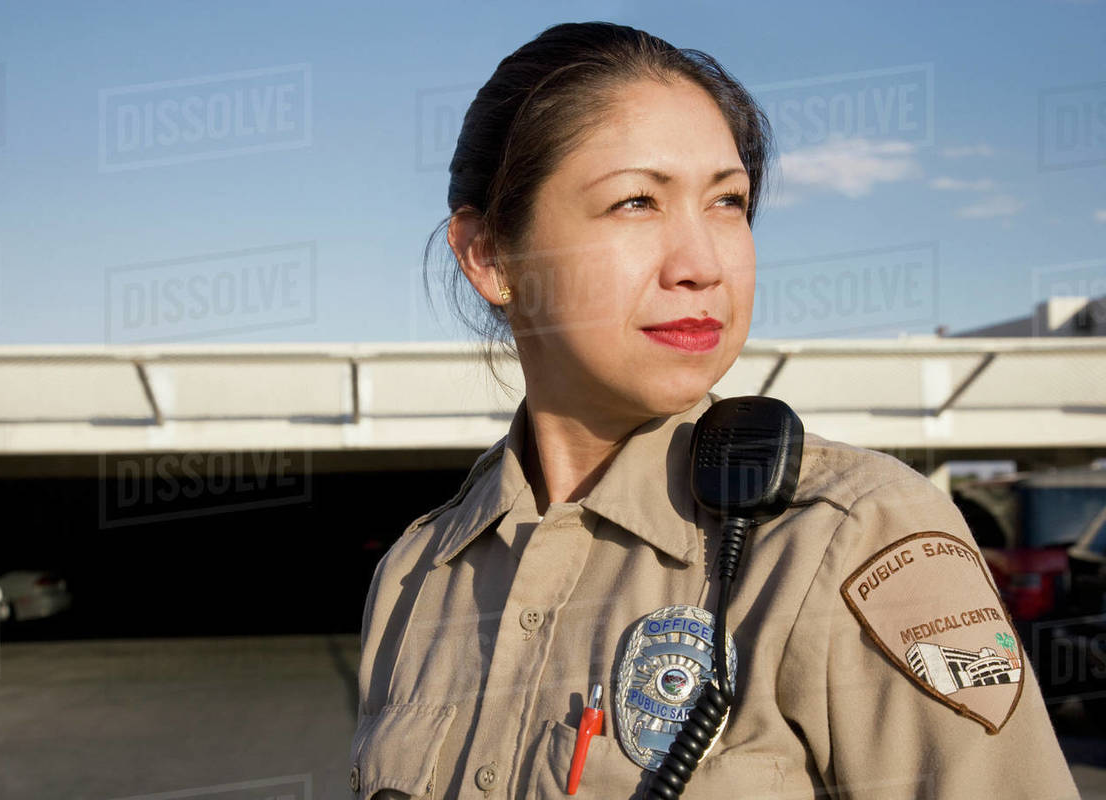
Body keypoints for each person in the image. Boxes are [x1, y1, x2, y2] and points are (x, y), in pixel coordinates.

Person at [348, 21, 1079, 800]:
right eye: (636, 202)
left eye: (729, 202)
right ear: (491, 256)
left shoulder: (852, 538)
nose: (702, 263)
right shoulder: (414, 577)